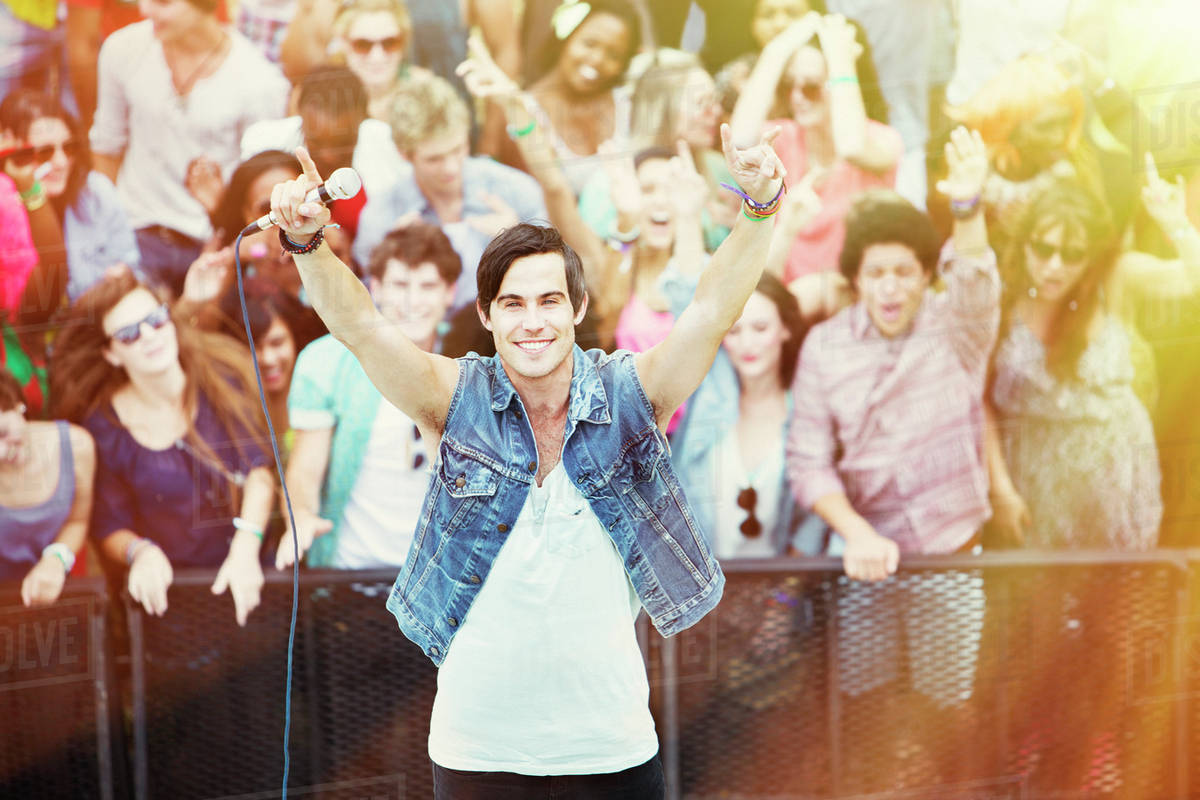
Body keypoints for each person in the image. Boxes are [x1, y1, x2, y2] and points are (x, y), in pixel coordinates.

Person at [268, 112, 783, 793]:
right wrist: (306, 243)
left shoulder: (632, 394)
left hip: (611, 747)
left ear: (578, 307)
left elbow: (712, 309)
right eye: (512, 304)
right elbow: (363, 327)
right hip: (478, 749)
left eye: (549, 300)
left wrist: (759, 207)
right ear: (485, 316)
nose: (532, 320)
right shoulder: (454, 398)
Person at [785, 129, 994, 742]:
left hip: (951, 551)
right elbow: (808, 462)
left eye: (906, 271)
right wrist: (857, 535)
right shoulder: (825, 346)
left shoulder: (957, 328)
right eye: (877, 272)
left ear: (928, 275)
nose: (891, 288)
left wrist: (968, 205)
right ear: (856, 277)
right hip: (866, 558)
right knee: (868, 711)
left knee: (944, 713)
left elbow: (977, 278)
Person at [985, 159, 1198, 550]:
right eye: (1044, 248)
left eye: (1072, 254)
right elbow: (980, 402)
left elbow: (1193, 280)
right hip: (1035, 480)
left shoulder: (1115, 278)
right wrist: (1000, 489)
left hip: (1115, 476)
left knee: (1117, 603)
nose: (1054, 266)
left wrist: (1175, 221)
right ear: (1025, 240)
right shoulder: (1001, 291)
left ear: (1092, 254)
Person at [50, 272, 275, 626]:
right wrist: (141, 552)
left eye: (155, 319)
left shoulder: (222, 376)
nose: (149, 336)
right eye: (129, 334)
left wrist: (246, 545)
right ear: (111, 353)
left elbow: (260, 472)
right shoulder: (104, 427)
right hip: (176, 609)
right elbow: (109, 526)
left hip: (254, 582)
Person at [276, 223, 459, 570]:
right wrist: (300, 515)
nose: (412, 301)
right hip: (353, 576)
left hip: (440, 583)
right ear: (375, 288)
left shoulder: (470, 362)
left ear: (450, 293)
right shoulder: (325, 360)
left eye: (428, 286)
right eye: (400, 285)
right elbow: (305, 467)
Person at [89, 0, 289, 296]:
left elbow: (263, 188)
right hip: (134, 232)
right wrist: (105, 232)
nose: (145, 10)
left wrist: (226, 230)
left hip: (211, 241)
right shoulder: (122, 49)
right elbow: (107, 147)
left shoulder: (260, 82)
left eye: (163, 3)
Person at [731, 12, 901, 285]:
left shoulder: (882, 139)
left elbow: (851, 147)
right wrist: (776, 51)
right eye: (789, 85)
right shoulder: (783, 137)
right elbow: (739, 139)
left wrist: (842, 60)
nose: (797, 97)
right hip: (785, 307)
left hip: (851, 307)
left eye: (811, 87)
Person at [353, 73, 547, 311]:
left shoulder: (516, 190)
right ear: (404, 154)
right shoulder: (382, 215)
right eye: (434, 159)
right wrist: (389, 258)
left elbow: (552, 284)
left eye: (458, 149)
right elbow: (368, 306)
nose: (451, 167)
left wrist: (517, 244)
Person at [671, 273, 811, 558]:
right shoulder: (706, 401)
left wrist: (783, 598)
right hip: (709, 591)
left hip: (779, 594)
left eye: (760, 328)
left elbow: (812, 523)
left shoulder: (806, 414)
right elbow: (685, 291)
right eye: (735, 331)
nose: (747, 343)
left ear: (785, 329)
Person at [0, 88, 141, 302]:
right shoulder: (6, 210)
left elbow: (132, 268)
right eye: (45, 151)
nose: (61, 162)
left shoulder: (96, 192)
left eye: (68, 148)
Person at [519, 0, 643, 194]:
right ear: (565, 36)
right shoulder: (523, 113)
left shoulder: (628, 104)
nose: (597, 60)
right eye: (589, 44)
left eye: (613, 55)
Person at [0, 367, 95, 607]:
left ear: (18, 405)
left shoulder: (76, 446)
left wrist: (56, 559)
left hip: (62, 592)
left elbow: (78, 520)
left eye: (3, 432)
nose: (2, 452)